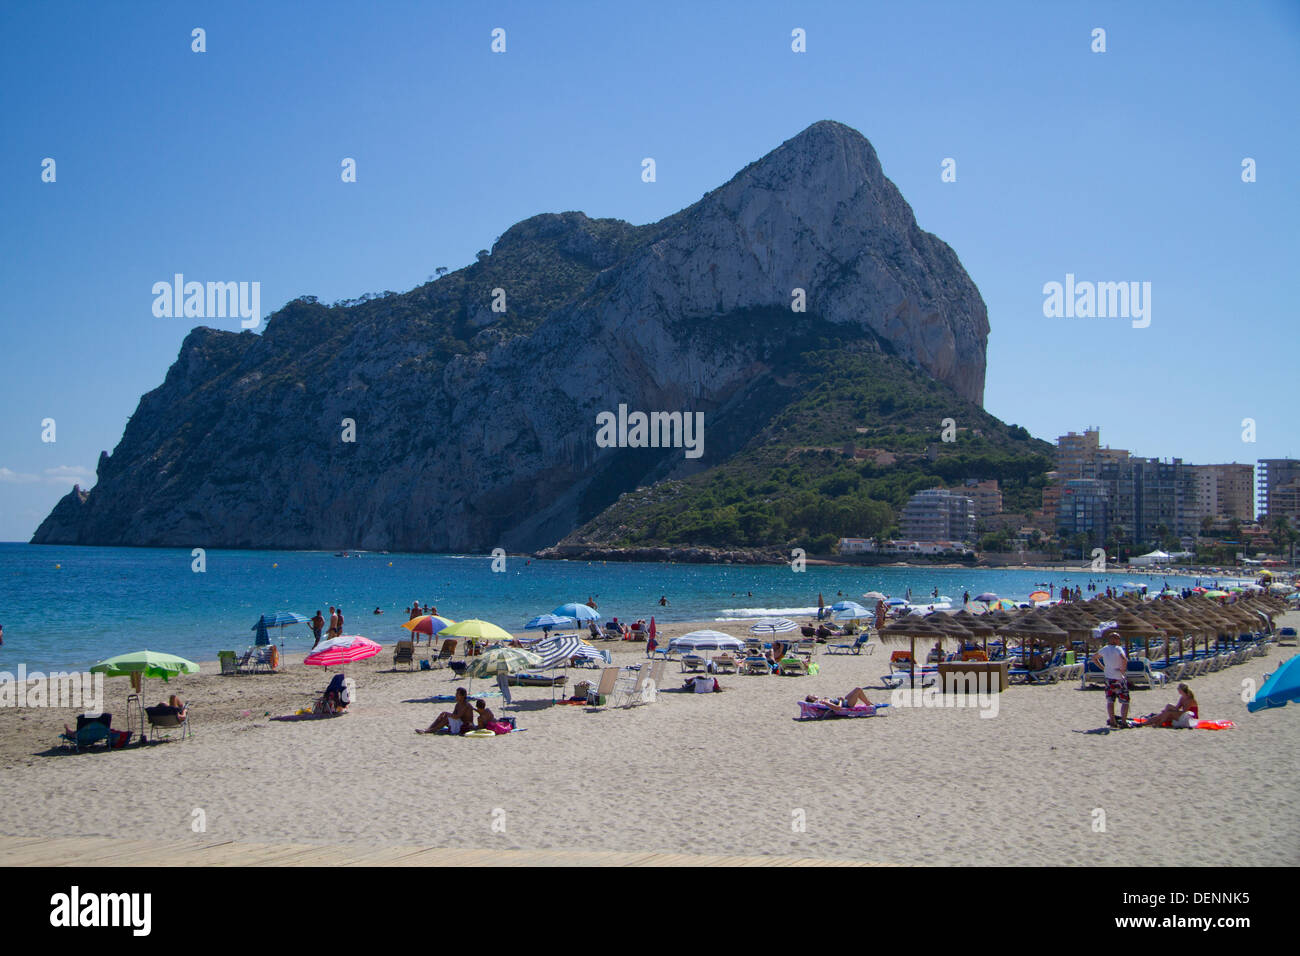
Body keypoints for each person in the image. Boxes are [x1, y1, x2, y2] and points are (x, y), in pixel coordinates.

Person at [1093, 632, 1130, 728]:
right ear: (1117, 640)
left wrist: (1103, 668)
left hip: (1109, 677)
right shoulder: (1118, 649)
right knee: (1125, 701)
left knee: (1110, 700)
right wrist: (1123, 669)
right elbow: (1124, 659)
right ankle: (1123, 722)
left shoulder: (1105, 649)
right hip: (1118, 677)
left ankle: (1113, 721)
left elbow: (1094, 658)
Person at [806, 688, 873, 709]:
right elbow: (838, 708)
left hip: (845, 701)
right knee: (858, 690)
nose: (815, 695)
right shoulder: (823, 702)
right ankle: (868, 704)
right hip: (848, 705)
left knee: (857, 689)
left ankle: (868, 703)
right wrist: (840, 700)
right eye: (813, 695)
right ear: (813, 699)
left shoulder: (822, 701)